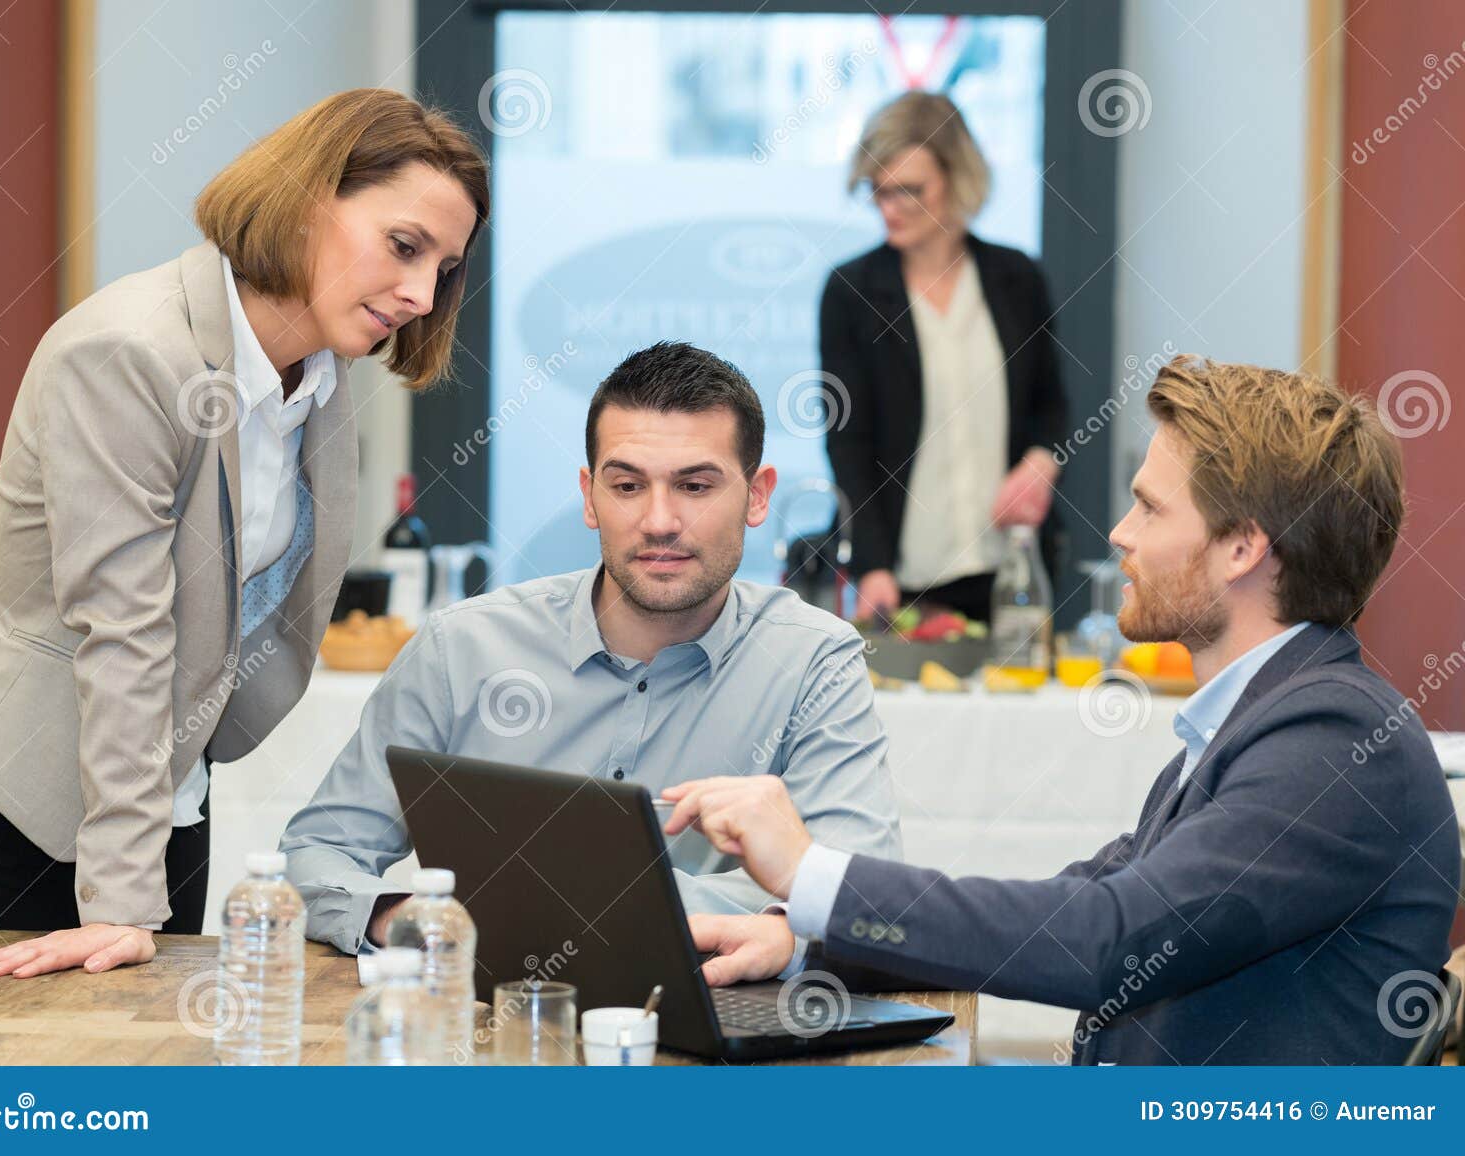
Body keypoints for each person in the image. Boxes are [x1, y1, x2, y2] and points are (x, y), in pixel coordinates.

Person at [666, 356, 1461, 1065]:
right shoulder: (1263, 723)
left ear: (1242, 548)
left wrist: (811, 872)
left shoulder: (1334, 742)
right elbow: (1069, 908)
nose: (1120, 533)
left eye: (1150, 509)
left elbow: (1111, 938)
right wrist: (804, 942)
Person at [0, 89, 489, 979]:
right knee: (31, 1064)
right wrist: (123, 902)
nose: (420, 294)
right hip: (13, 797)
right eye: (404, 246)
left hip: (164, 787)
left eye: (444, 269)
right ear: (305, 199)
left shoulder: (318, 377)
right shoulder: (130, 354)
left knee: (154, 1052)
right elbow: (125, 633)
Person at [279, 342, 902, 955]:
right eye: (627, 486)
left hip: (719, 1008)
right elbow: (316, 856)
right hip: (491, 1007)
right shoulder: (461, 648)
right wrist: (408, 919)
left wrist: (541, 911)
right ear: (589, 496)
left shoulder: (813, 662)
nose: (659, 521)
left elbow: (863, 900)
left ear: (758, 495)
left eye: (694, 486)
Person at [821, 92, 1069, 623]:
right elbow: (848, 443)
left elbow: (1050, 406)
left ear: (959, 179)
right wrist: (872, 565)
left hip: (1010, 573)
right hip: (901, 580)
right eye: (877, 190)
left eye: (909, 190)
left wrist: (1041, 462)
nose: (888, 208)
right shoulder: (851, 292)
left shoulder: (1018, 279)